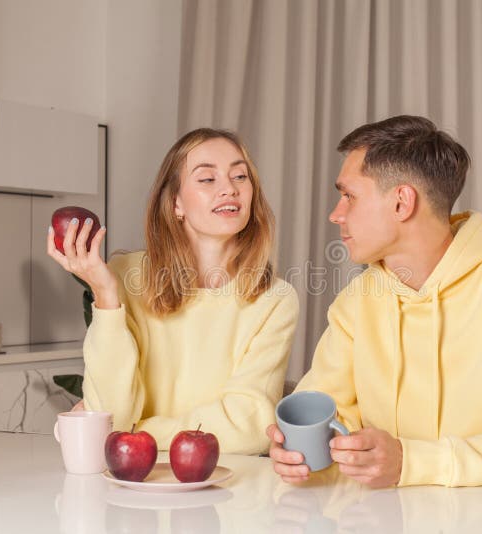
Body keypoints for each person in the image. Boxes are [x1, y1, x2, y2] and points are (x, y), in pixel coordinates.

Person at [267, 115, 482, 487]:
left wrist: (411, 462)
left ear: (402, 203)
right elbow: (329, 410)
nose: (336, 214)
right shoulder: (356, 301)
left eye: (349, 196)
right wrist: (298, 450)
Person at [48, 128, 299, 454]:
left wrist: (134, 433)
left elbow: (249, 430)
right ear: (176, 203)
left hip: (233, 492)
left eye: (240, 176)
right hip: (132, 488)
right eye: (208, 179)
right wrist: (107, 296)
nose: (229, 188)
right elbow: (112, 412)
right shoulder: (126, 277)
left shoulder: (275, 299)